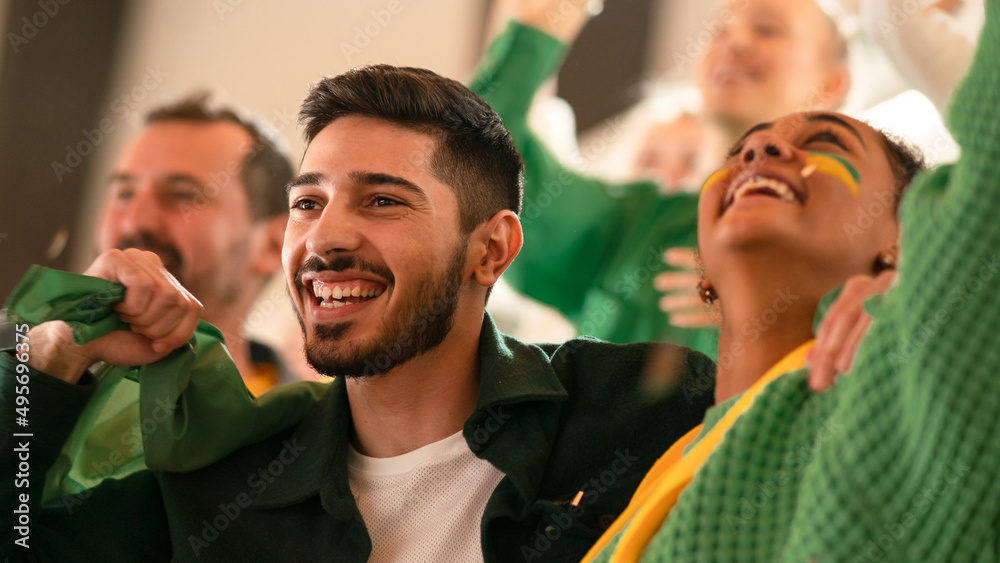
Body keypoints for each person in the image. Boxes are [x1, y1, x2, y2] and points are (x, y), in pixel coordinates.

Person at [0, 65, 715, 562]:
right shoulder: (222, 483)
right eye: (307, 202)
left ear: (491, 248)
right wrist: (51, 354)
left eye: (382, 200)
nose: (324, 237)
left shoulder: (630, 409)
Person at [583, 0, 1000, 559]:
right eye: (739, 152)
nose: (759, 148)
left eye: (827, 144)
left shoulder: (900, 382)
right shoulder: (652, 465)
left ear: (902, 241)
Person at [469, 0, 851, 358]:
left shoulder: (860, 240)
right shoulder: (633, 222)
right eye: (719, 31)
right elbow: (477, 164)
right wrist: (544, 22)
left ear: (832, 84)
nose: (734, 43)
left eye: (767, 30)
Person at [96, 93, 298, 394]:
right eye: (124, 194)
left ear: (273, 246)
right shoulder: (22, 364)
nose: (136, 222)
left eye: (182, 195)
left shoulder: (312, 428)